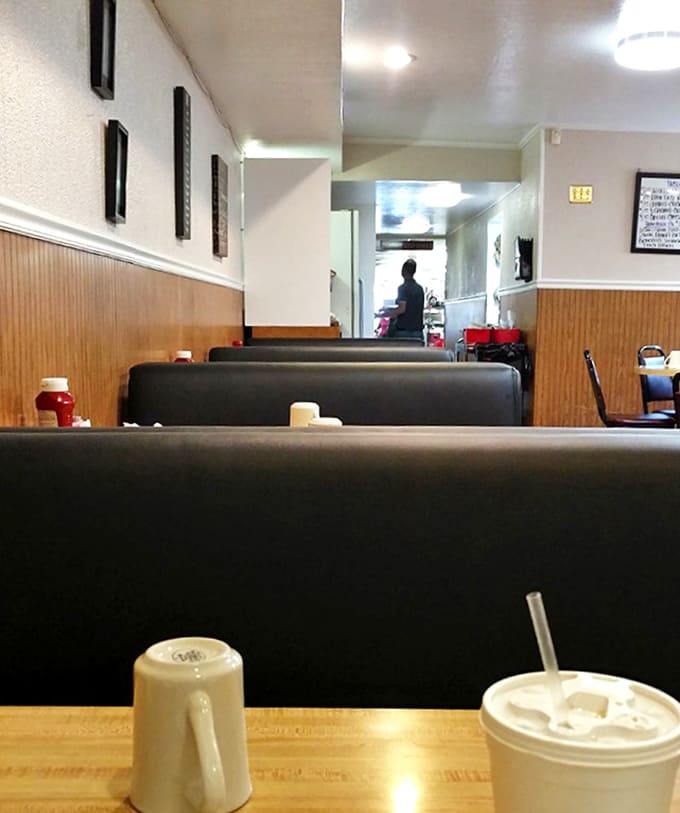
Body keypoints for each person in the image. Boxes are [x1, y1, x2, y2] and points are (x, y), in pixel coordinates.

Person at [379, 258, 425, 340]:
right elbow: (411, 307)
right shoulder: (420, 289)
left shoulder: (403, 288)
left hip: (403, 333)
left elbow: (402, 309)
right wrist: (389, 309)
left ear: (403, 271)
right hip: (418, 333)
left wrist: (385, 314)